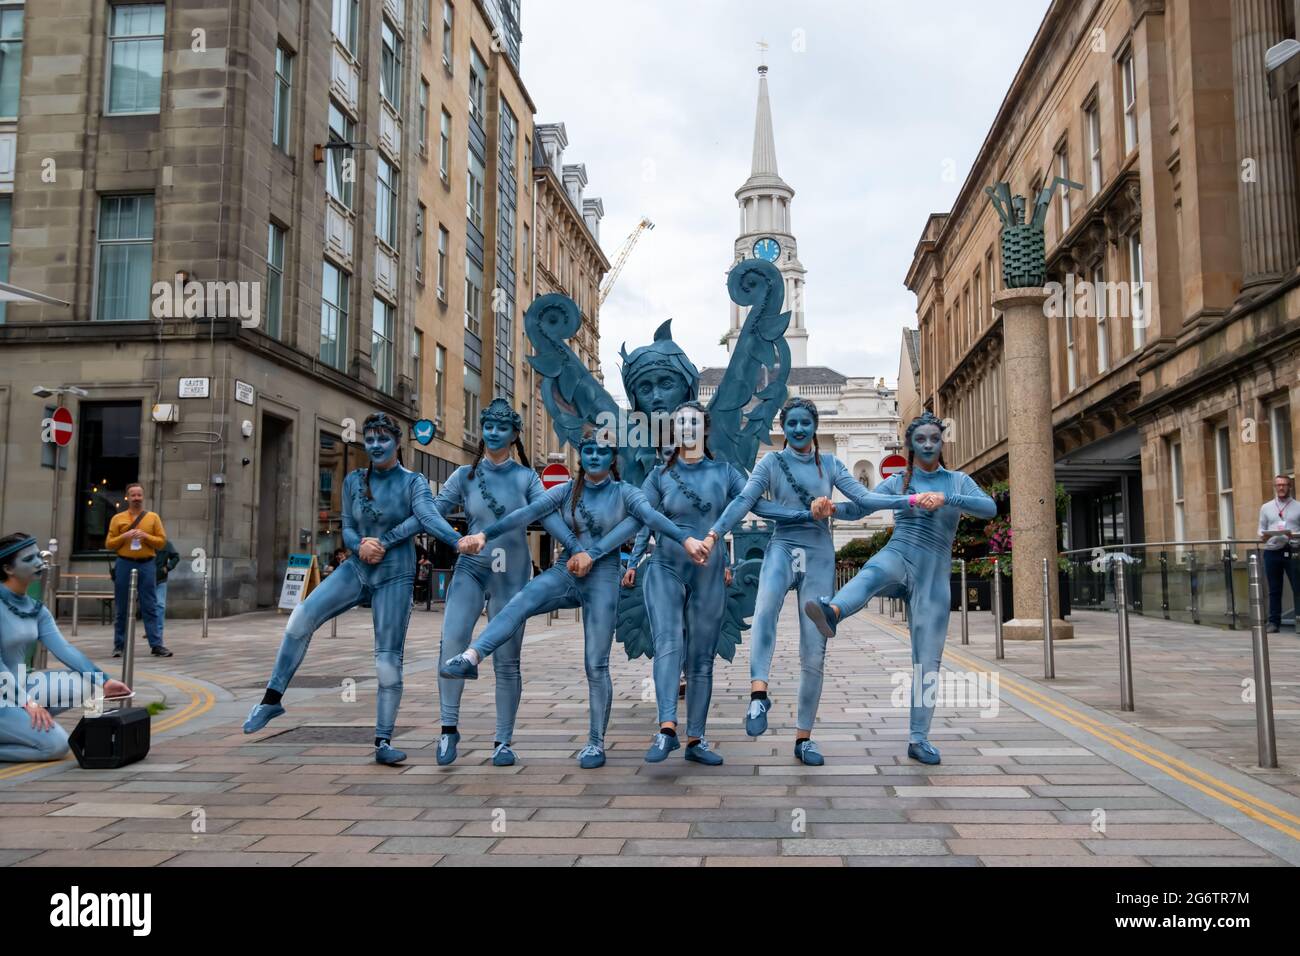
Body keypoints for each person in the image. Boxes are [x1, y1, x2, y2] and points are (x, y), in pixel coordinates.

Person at [441, 433, 699, 769]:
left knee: (596, 663)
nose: (593, 456)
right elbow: (527, 512)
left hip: (603, 580)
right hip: (566, 572)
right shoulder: (566, 492)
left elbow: (650, 519)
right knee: (520, 602)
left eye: (601, 452)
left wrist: (686, 539)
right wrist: (485, 534)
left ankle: (595, 742)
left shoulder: (626, 493)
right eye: (588, 450)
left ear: (612, 459)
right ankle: (472, 656)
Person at [241, 413, 474, 766]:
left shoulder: (415, 483)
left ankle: (383, 740)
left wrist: (458, 542)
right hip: (357, 568)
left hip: (395, 577)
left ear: (398, 443)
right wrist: (358, 546)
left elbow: (427, 518)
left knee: (387, 660)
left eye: (383, 439)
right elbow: (346, 526)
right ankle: (272, 699)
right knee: (300, 618)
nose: (376, 445)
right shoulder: (352, 480)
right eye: (370, 439)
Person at [703, 397, 913, 765]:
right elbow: (746, 502)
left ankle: (804, 738)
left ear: (814, 427)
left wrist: (907, 500)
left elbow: (864, 498)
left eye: (805, 423)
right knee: (765, 607)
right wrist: (714, 534)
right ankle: (758, 695)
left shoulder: (830, 464)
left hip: (818, 554)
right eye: (793, 423)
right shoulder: (771, 462)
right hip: (782, 547)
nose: (799, 429)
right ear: (784, 427)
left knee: (814, 648)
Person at [389, 398, 582, 767]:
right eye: (488, 426)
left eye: (501, 427)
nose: (493, 432)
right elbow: (430, 511)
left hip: (512, 573)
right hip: (471, 568)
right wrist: (402, 537)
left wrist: (573, 546)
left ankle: (503, 741)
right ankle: (448, 729)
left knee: (507, 660)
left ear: (514, 435)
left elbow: (545, 514)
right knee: (452, 643)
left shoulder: (528, 478)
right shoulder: (464, 475)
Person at [804, 411, 995, 766]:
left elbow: (990, 508)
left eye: (933, 439)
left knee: (928, 660)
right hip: (899, 554)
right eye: (920, 439)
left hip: (934, 575)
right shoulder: (897, 483)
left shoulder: (957, 480)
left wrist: (947, 499)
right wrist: (830, 508)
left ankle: (918, 739)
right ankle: (832, 612)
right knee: (872, 571)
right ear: (909, 444)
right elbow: (863, 507)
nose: (926, 444)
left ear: (941, 442)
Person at [631, 401, 803, 766]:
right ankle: (666, 729)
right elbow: (644, 515)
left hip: (709, 569)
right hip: (666, 566)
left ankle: (696, 738)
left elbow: (752, 502)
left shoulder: (725, 471)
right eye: (680, 424)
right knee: (669, 643)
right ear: (673, 432)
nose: (688, 429)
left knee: (701, 657)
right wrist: (658, 549)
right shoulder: (659, 476)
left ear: (705, 429)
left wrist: (802, 515)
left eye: (694, 423)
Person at [0, 533, 131, 762]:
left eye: (38, 556)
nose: (39, 563)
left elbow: (64, 648)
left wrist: (105, 681)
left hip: (18, 689)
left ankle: (27, 726)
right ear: (8, 569)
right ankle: (30, 727)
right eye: (29, 559)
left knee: (89, 685)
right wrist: (28, 703)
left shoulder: (35, 609)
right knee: (57, 746)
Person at [105, 482, 170, 658]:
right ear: (127, 497)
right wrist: (124, 536)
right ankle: (119, 645)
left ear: (143, 497)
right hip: (124, 563)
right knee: (122, 606)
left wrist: (146, 536)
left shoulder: (153, 518)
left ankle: (156, 644)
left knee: (150, 605)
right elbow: (109, 544)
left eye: (139, 495)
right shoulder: (118, 519)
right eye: (133, 495)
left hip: (147, 564)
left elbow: (162, 542)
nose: (136, 498)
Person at [1259, 474, 1300, 634]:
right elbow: (1260, 529)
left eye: (1284, 485)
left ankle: (1299, 619)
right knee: (1274, 589)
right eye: (1278, 485)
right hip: (1272, 551)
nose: (1281, 488)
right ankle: (1273, 622)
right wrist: (1265, 535)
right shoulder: (1266, 507)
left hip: (1293, 550)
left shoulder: (1297, 506)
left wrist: (1295, 535)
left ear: (1290, 487)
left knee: (1297, 586)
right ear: (1275, 487)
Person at [151, 539, 180, 643]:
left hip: (160, 579)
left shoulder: (166, 544)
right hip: (146, 581)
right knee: (150, 608)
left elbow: (176, 557)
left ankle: (158, 637)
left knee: (160, 606)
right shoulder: (145, 541)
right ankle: (152, 630)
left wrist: (168, 567)